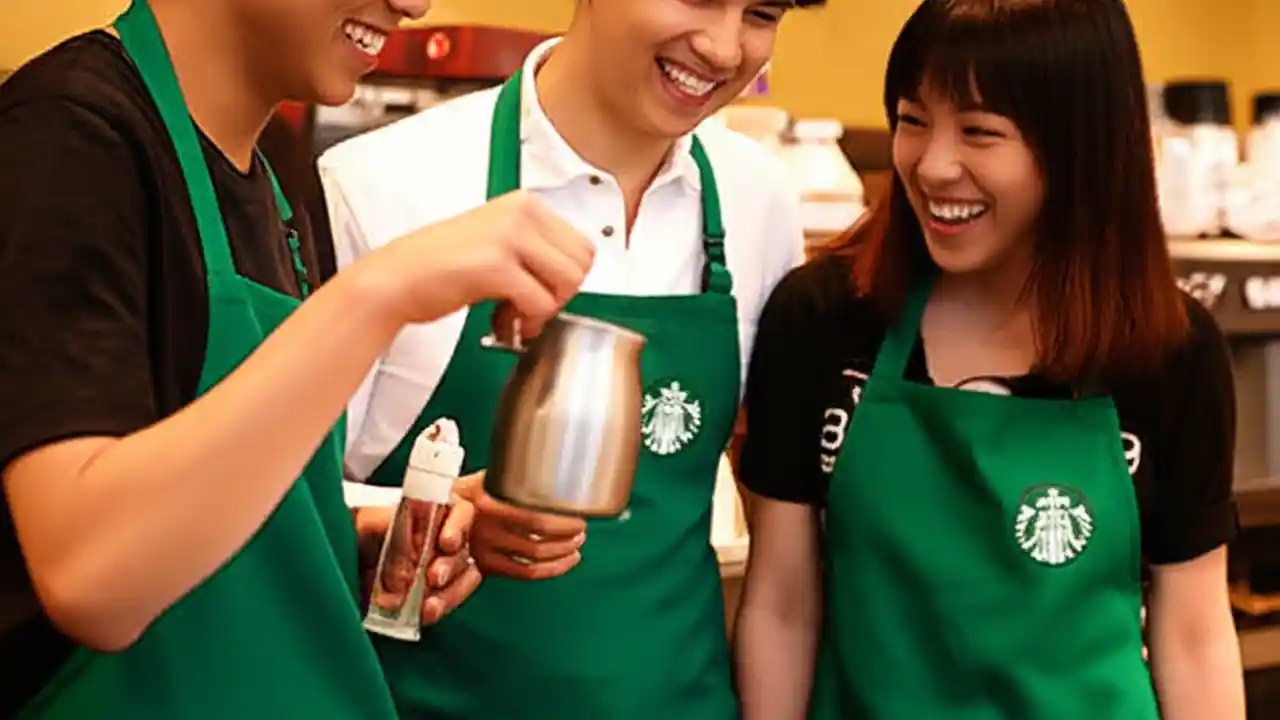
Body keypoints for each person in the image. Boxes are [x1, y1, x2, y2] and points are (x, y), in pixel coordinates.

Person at [0, 0, 595, 716]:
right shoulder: (66, 138)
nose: (414, 4)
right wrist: (380, 294)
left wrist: (328, 541)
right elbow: (92, 580)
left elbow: (195, 488)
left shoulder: (277, 169)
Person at [734, 1, 1247, 718]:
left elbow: (1193, 637)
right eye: (913, 119)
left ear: (1079, 149)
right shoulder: (825, 318)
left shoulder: (1168, 350)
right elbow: (782, 605)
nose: (934, 165)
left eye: (980, 132)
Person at [318, 0, 818, 716]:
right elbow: (284, 508)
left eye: (762, 12)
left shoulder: (759, 201)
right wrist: (421, 518)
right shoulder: (383, 185)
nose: (723, 46)